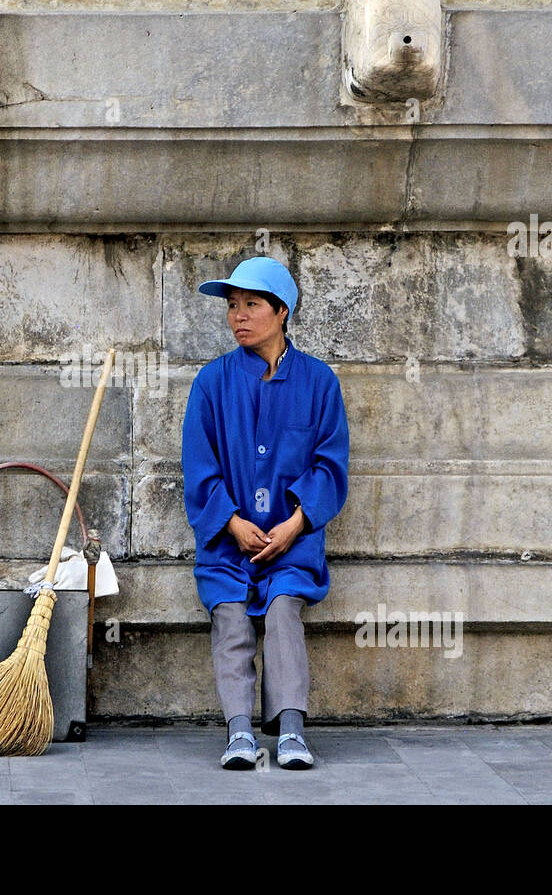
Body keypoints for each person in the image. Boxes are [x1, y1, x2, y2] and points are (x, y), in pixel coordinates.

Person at [180, 256, 349, 770]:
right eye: (232, 306)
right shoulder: (212, 383)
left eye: (252, 304)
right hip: (227, 544)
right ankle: (238, 733)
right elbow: (199, 467)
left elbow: (330, 465)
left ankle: (292, 732)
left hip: (292, 544)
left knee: (282, 612)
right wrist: (231, 522)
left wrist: (296, 523)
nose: (239, 316)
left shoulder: (320, 384)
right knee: (231, 618)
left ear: (282, 312)